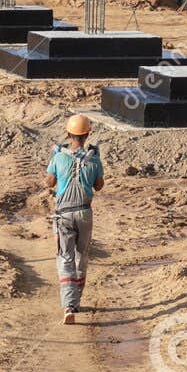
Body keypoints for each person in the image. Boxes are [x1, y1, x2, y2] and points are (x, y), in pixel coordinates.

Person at [45, 114, 105, 325]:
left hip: (64, 215)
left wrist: (54, 159)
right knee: (82, 256)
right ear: (88, 134)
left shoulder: (59, 157)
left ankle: (69, 306)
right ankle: (76, 299)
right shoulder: (94, 159)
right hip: (85, 213)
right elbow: (98, 186)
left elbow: (49, 183)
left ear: (68, 133)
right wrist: (95, 162)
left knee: (65, 257)